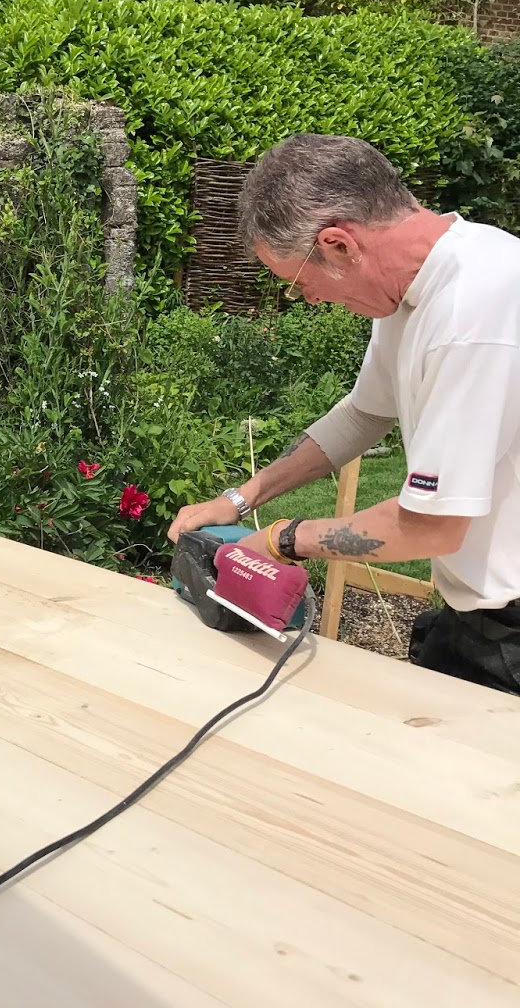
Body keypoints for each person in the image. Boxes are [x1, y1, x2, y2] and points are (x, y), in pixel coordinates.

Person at [168, 133, 520, 696]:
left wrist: (282, 539)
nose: (308, 300)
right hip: (477, 614)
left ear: (338, 244)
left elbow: (431, 525)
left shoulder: (472, 316)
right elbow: (362, 414)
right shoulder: (413, 288)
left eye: (299, 283)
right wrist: (238, 500)